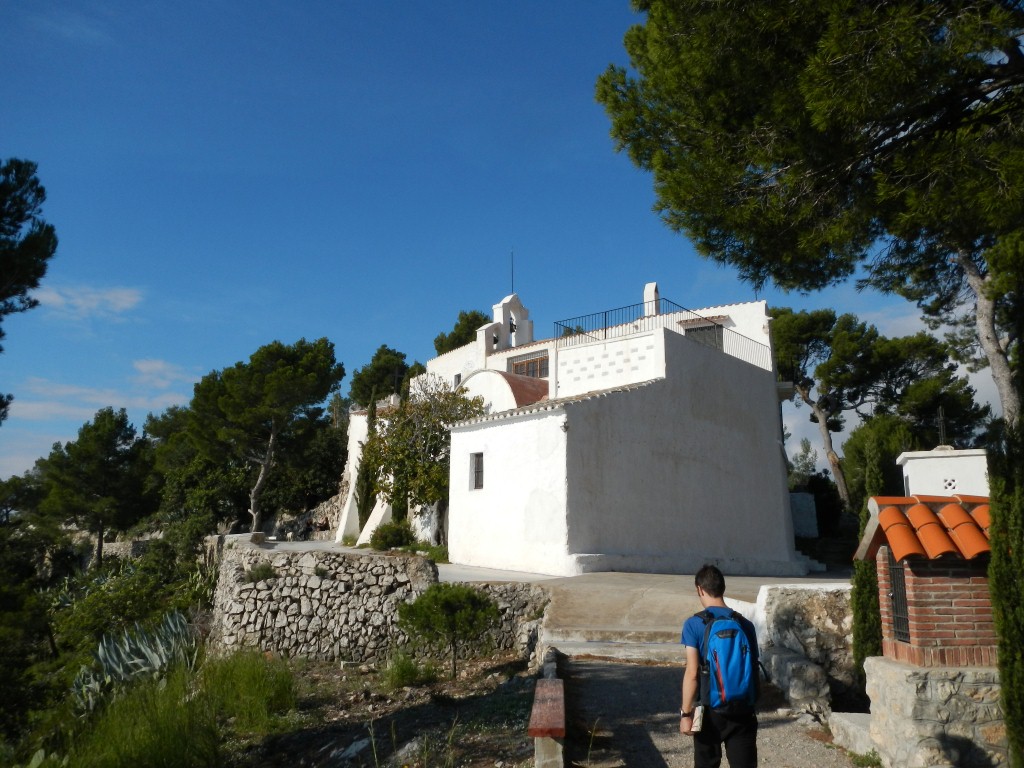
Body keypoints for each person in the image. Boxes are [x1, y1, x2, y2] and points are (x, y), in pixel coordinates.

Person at [679, 564, 759, 768]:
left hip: (709, 711)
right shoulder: (745, 625)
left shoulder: (694, 624)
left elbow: (692, 673)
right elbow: (752, 668)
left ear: (700, 589)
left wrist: (686, 714)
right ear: (722, 588)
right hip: (743, 708)